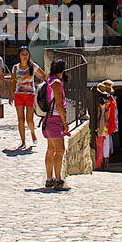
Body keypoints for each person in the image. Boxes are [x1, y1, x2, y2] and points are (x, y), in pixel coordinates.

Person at [43, 58, 71, 190]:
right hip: (55, 119)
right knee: (60, 150)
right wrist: (65, 122)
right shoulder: (57, 83)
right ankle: (59, 180)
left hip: (47, 119)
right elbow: (59, 105)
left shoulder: (49, 80)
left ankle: (49, 179)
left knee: (51, 149)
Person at [9, 46, 45, 149]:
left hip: (30, 95)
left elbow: (43, 75)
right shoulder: (16, 67)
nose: (25, 56)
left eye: (26, 54)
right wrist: (11, 95)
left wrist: (39, 87)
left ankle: (33, 132)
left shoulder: (32, 66)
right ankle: (23, 142)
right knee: (20, 119)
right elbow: (13, 81)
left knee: (29, 119)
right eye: (22, 54)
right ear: (19, 56)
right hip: (19, 94)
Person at [94, 80, 117, 170]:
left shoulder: (107, 100)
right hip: (108, 124)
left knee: (103, 146)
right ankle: (104, 164)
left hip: (105, 125)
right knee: (104, 146)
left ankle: (102, 165)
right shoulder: (111, 99)